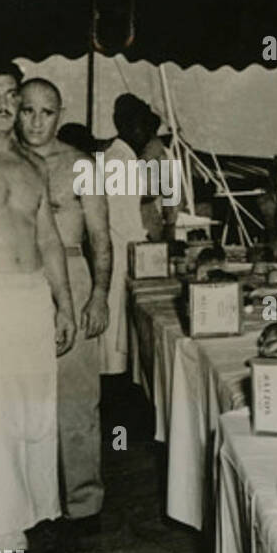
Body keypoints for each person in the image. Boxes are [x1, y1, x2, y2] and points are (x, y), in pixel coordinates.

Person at [0, 58, 75, 553]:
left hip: (31, 294)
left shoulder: (32, 166)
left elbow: (51, 241)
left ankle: (30, 519)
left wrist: (64, 303)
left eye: (10, 94)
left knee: (32, 411)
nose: (4, 104)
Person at [17, 78, 111, 534]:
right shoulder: (2, 162)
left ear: (59, 114)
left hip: (73, 272)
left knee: (77, 401)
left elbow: (101, 238)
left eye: (46, 112)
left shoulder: (80, 165)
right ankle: (34, 509)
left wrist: (99, 295)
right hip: (19, 283)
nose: (36, 121)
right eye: (28, 110)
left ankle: (84, 508)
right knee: (23, 399)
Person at [99, 94, 160, 376]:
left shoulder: (121, 158)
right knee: (114, 347)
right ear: (125, 126)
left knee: (118, 341)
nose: (146, 135)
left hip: (121, 253)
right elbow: (127, 224)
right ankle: (117, 398)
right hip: (120, 255)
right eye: (143, 128)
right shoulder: (119, 162)